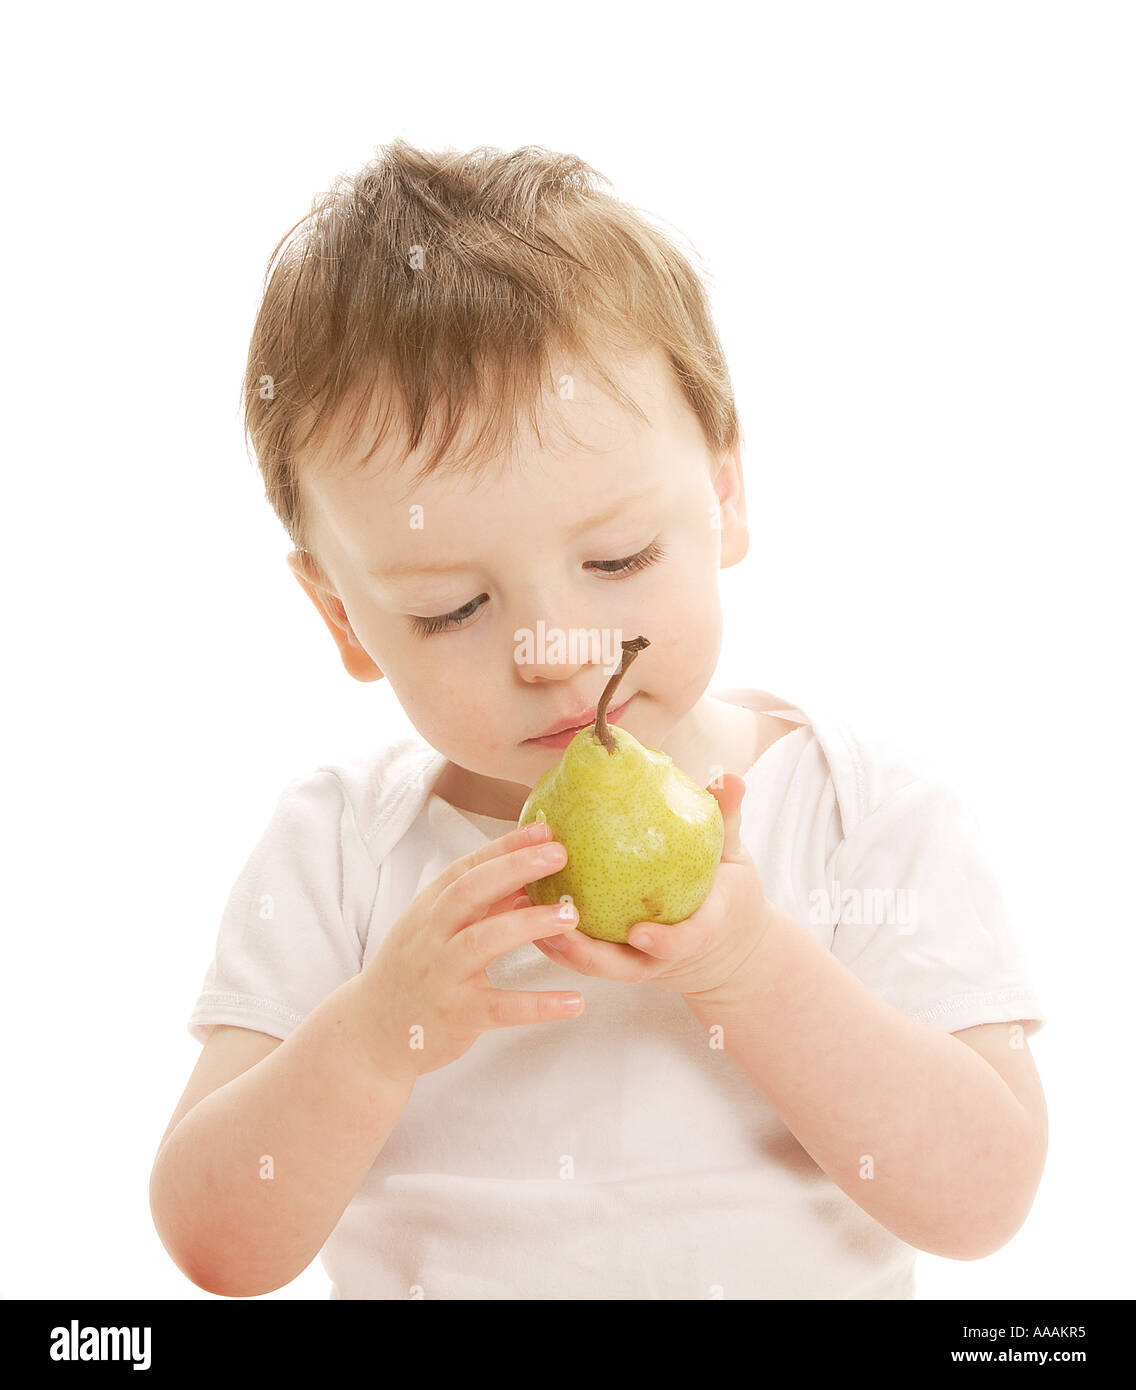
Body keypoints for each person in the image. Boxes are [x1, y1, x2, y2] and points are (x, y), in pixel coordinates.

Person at [149, 139, 1047, 1300]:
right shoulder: (343, 849)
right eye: (451, 607)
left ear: (723, 497)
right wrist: (373, 1037)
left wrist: (751, 971)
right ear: (342, 616)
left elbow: (982, 1200)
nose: (553, 650)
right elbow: (215, 1243)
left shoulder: (857, 813)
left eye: (617, 557)